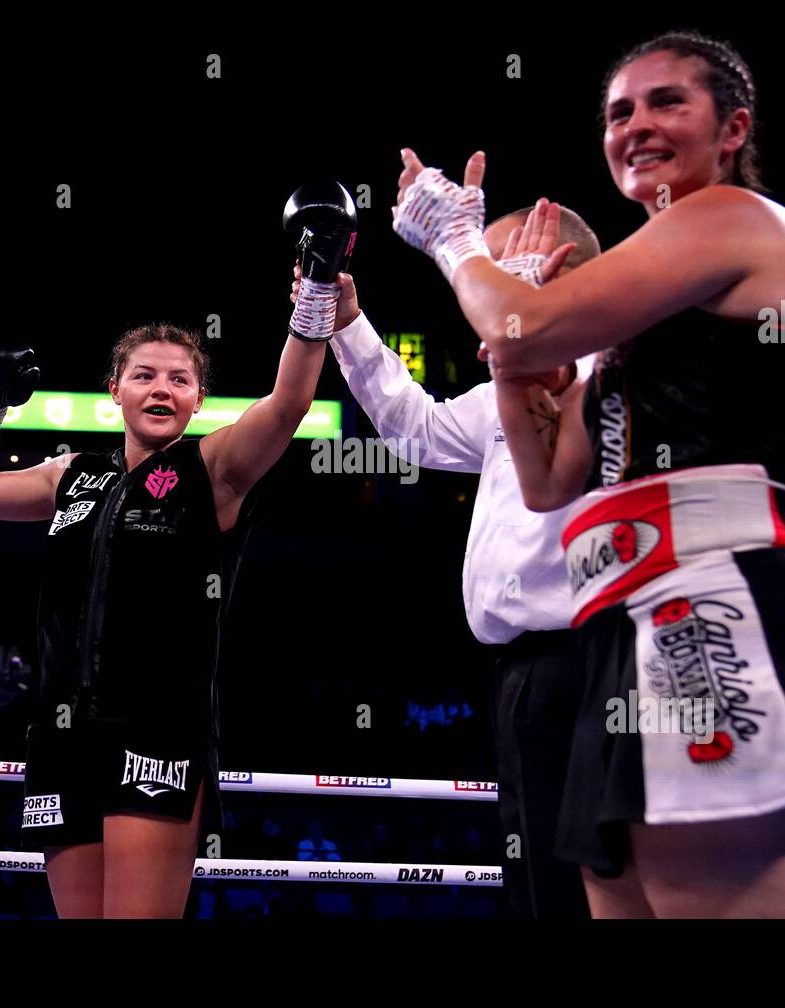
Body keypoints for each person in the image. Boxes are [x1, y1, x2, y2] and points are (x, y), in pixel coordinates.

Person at [391, 30, 785, 917]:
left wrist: (455, 244)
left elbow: (523, 325)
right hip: (616, 620)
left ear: (734, 127)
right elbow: (552, 480)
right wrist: (518, 366)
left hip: (712, 596)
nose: (637, 124)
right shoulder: (639, 325)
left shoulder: (736, 219)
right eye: (619, 110)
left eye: (668, 101)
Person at [0, 302, 334, 915]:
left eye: (180, 379)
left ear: (199, 399)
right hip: (61, 734)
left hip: (156, 729)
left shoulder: (214, 469)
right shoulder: (72, 475)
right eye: (145, 375)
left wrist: (315, 294)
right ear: (115, 391)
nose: (162, 388)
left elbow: (287, 404)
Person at [292, 202, 599, 918]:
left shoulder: (610, 372)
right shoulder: (509, 390)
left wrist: (526, 331)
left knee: (590, 884)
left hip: (593, 663)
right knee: (543, 891)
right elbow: (417, 430)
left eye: (492, 273)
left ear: (557, 268)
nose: (478, 292)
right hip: (526, 676)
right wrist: (348, 323)